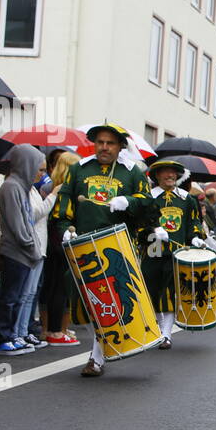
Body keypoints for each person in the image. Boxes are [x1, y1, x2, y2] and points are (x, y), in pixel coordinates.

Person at [51, 123, 151, 378]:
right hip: (83, 244)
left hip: (116, 248)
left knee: (111, 297)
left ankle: (96, 357)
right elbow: (64, 203)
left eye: (110, 143)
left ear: (120, 147)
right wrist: (64, 227)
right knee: (86, 300)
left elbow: (149, 204)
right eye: (100, 142)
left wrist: (128, 201)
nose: (104, 147)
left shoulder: (133, 174)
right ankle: (101, 346)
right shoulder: (79, 170)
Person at [136, 158, 206, 348]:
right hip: (152, 250)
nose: (170, 175)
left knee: (169, 292)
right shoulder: (148, 197)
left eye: (173, 172)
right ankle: (155, 329)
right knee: (151, 291)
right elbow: (139, 226)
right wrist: (152, 231)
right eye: (165, 172)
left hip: (177, 253)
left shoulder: (186, 199)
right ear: (157, 175)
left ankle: (166, 334)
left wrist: (195, 237)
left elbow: (194, 222)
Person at [0, 144, 45, 356]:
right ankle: (3, 337)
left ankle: (12, 334)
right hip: (16, 251)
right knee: (10, 296)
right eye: (36, 166)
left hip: (23, 252)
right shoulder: (12, 187)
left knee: (17, 296)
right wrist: (29, 244)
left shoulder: (20, 187)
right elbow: (18, 224)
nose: (38, 171)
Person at [38, 151, 81, 346]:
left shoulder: (48, 186)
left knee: (50, 286)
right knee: (62, 287)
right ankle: (57, 331)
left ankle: (48, 329)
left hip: (48, 238)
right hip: (62, 238)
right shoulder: (67, 189)